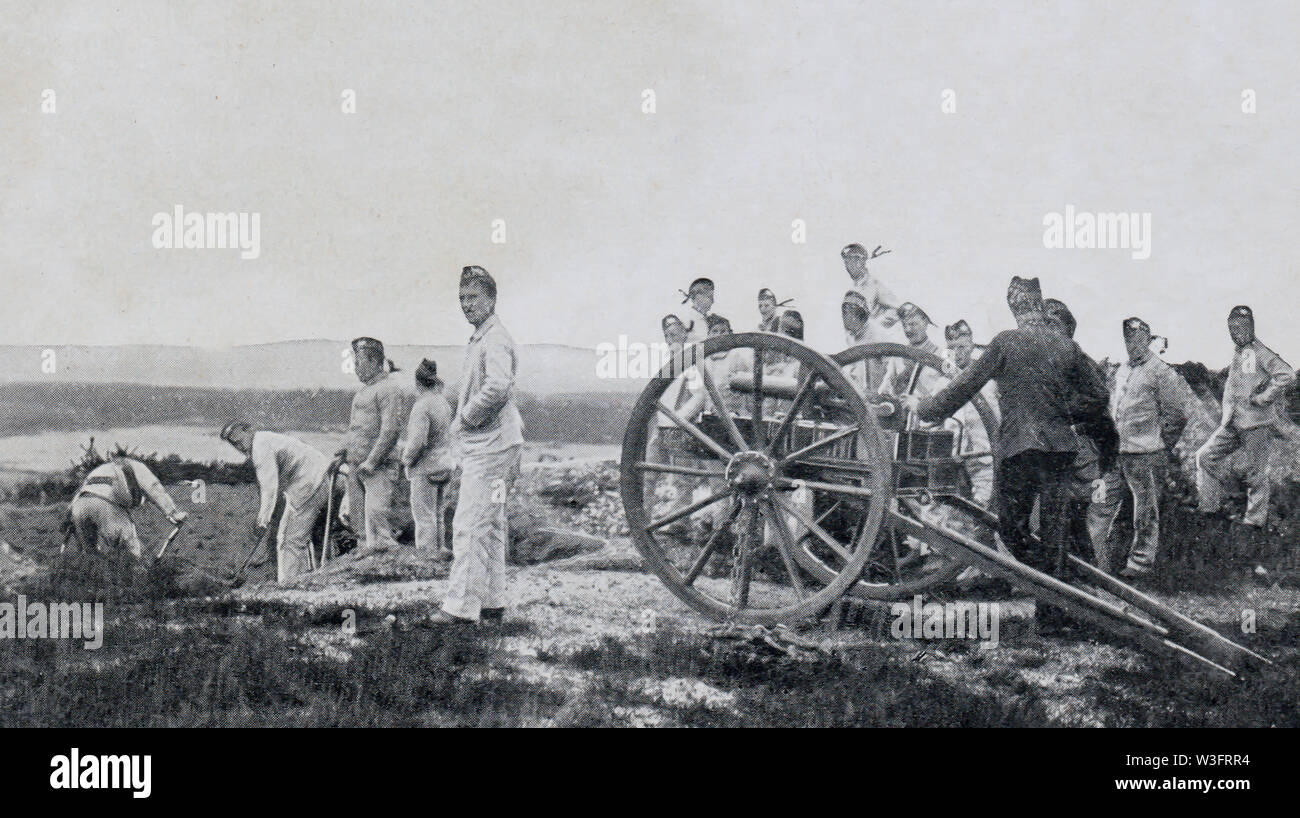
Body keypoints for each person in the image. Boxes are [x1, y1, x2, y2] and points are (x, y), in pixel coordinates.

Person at [904, 276, 1109, 635]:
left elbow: (964, 386)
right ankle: (1054, 612)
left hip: (1019, 449)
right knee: (1054, 532)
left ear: (1015, 308)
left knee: (1012, 530)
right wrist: (1065, 415)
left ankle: (1050, 589)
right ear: (1040, 306)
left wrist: (927, 410)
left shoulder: (1006, 342)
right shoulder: (1066, 346)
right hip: (1060, 450)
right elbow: (1099, 396)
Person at [431, 266, 525, 626]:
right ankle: (492, 602)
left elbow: (499, 385)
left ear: (491, 299)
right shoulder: (482, 337)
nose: (466, 305)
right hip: (500, 446)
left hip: (491, 449)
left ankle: (459, 609)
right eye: (461, 299)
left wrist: (466, 417)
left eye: (473, 298)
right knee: (492, 523)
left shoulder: (495, 338)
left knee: (471, 523)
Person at [1088, 318, 1194, 577]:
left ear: (1148, 338)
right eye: (1128, 338)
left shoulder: (1161, 372)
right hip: (1116, 453)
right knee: (1099, 505)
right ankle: (1092, 565)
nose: (1132, 343)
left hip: (1146, 455)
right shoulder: (1122, 370)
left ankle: (1139, 567)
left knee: (1145, 513)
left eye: (1137, 337)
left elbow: (1177, 416)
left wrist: (1159, 444)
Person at [1196, 305, 1295, 537]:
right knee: (1205, 457)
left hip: (1257, 424)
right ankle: (1210, 508)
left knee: (1256, 473)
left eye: (1240, 327)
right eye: (1232, 328)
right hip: (1233, 422)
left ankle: (1254, 523)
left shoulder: (1260, 352)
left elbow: (1287, 374)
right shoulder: (1239, 352)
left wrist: (1265, 397)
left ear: (1251, 327)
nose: (1236, 332)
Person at [333, 337, 415, 555]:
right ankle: (365, 560)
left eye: (359, 361)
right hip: (356, 465)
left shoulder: (389, 389)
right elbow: (355, 429)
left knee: (377, 517)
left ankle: (387, 562)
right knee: (359, 521)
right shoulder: (363, 392)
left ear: (374, 361)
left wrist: (372, 461)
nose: (356, 367)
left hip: (377, 466)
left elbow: (390, 431)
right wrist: (342, 452)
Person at [221, 422, 330, 583]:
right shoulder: (266, 440)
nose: (239, 447)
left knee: (289, 539)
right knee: (308, 537)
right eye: (234, 444)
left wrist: (263, 520)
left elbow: (269, 488)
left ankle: (288, 586)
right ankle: (308, 580)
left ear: (248, 430)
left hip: (310, 482)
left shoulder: (260, 447)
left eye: (239, 441)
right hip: (323, 477)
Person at [67, 455, 187, 558]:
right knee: (130, 549)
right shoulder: (136, 466)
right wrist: (172, 513)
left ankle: (93, 581)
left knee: (89, 554)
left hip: (79, 506)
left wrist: (69, 517)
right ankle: (135, 581)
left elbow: (80, 491)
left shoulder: (101, 469)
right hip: (106, 504)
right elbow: (153, 487)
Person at [402, 359, 456, 558]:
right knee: (438, 513)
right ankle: (440, 550)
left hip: (426, 468)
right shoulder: (443, 403)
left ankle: (426, 556)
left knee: (424, 516)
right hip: (445, 463)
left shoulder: (421, 406)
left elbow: (418, 442)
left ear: (418, 383)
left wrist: (407, 459)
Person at [841, 243, 907, 389]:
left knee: (876, 385)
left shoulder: (874, 284)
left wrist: (875, 326)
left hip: (874, 348)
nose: (848, 266)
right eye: (846, 261)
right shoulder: (853, 287)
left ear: (862, 261)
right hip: (856, 343)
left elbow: (897, 309)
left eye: (852, 261)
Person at [680, 277, 717, 344]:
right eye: (709, 297)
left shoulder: (712, 320)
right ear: (697, 297)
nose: (713, 301)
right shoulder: (685, 321)